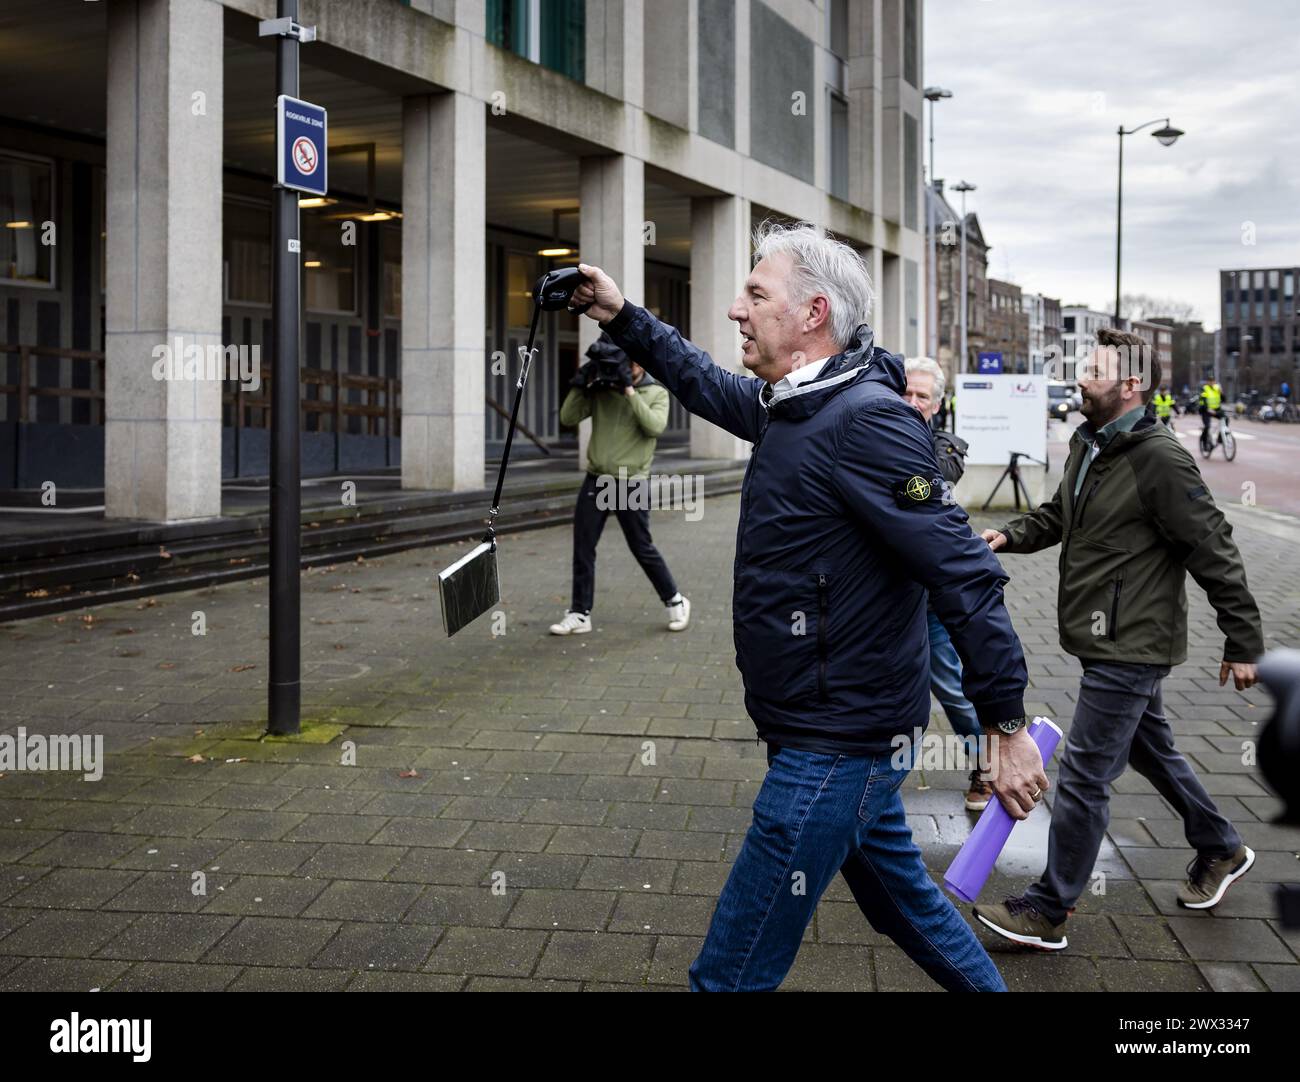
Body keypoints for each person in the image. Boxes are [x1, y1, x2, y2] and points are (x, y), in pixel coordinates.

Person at [571, 222, 1046, 992]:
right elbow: (697, 377)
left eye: (756, 295)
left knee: (730, 973)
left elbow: (963, 569)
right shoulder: (792, 407)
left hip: (839, 741)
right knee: (907, 910)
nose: (735, 310)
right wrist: (621, 314)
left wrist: (1006, 724)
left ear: (813, 314)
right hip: (824, 728)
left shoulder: (869, 421)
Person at [974, 328, 1262, 951]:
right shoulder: (1090, 443)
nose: (1081, 377)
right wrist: (1008, 536)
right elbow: (1059, 515)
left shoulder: (1160, 458)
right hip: (1103, 636)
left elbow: (1213, 548)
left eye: (1095, 370)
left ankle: (1049, 910)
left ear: (1131, 385)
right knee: (1150, 748)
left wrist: (1243, 640)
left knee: (1082, 773)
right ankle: (1221, 846)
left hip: (1133, 641)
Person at [549, 332, 691, 636]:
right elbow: (568, 416)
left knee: (642, 547)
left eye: (634, 360)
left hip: (630, 483)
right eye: (625, 360)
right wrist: (579, 384)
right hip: (596, 478)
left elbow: (654, 427)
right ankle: (579, 612)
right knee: (583, 548)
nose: (630, 365)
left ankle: (675, 600)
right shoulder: (603, 389)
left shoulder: (656, 392)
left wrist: (629, 391)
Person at [902, 357, 989, 811]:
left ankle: (986, 765)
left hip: (928, 597)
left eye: (922, 397)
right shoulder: (875, 434)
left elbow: (922, 487)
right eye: (907, 393)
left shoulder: (945, 448)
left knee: (950, 687)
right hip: (882, 597)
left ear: (936, 406)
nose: (913, 403)